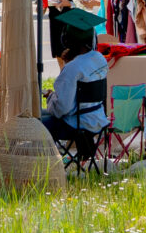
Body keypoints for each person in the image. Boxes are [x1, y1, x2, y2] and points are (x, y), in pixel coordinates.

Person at [41, 17, 110, 149]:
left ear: (68, 42)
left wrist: (50, 97)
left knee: (35, 122)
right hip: (98, 120)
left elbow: (62, 109)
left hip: (77, 124)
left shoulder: (72, 68)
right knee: (41, 113)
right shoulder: (100, 59)